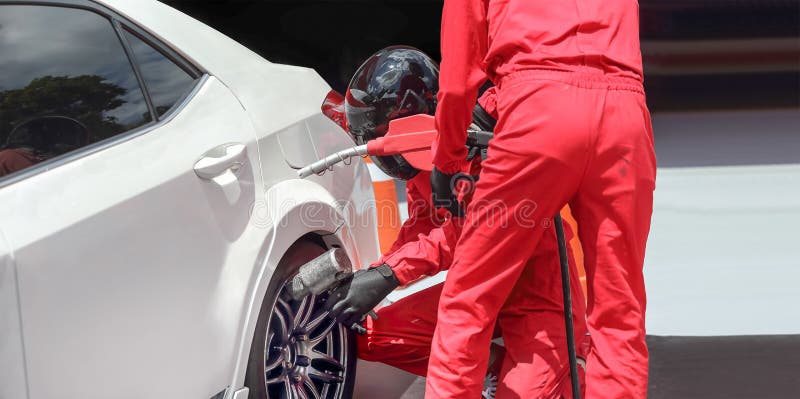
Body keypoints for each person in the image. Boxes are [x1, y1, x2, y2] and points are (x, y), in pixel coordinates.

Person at [426, 1, 657, 398]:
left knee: (470, 298)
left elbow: (457, 79)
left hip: (540, 108)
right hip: (625, 115)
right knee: (619, 312)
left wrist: (446, 160)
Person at [330, 86, 590, 398]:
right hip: (477, 287)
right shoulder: (420, 162)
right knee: (370, 334)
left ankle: (563, 366)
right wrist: (376, 274)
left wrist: (390, 273)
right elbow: (424, 224)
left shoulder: (486, 137)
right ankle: (495, 369)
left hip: (536, 285)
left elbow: (477, 231)